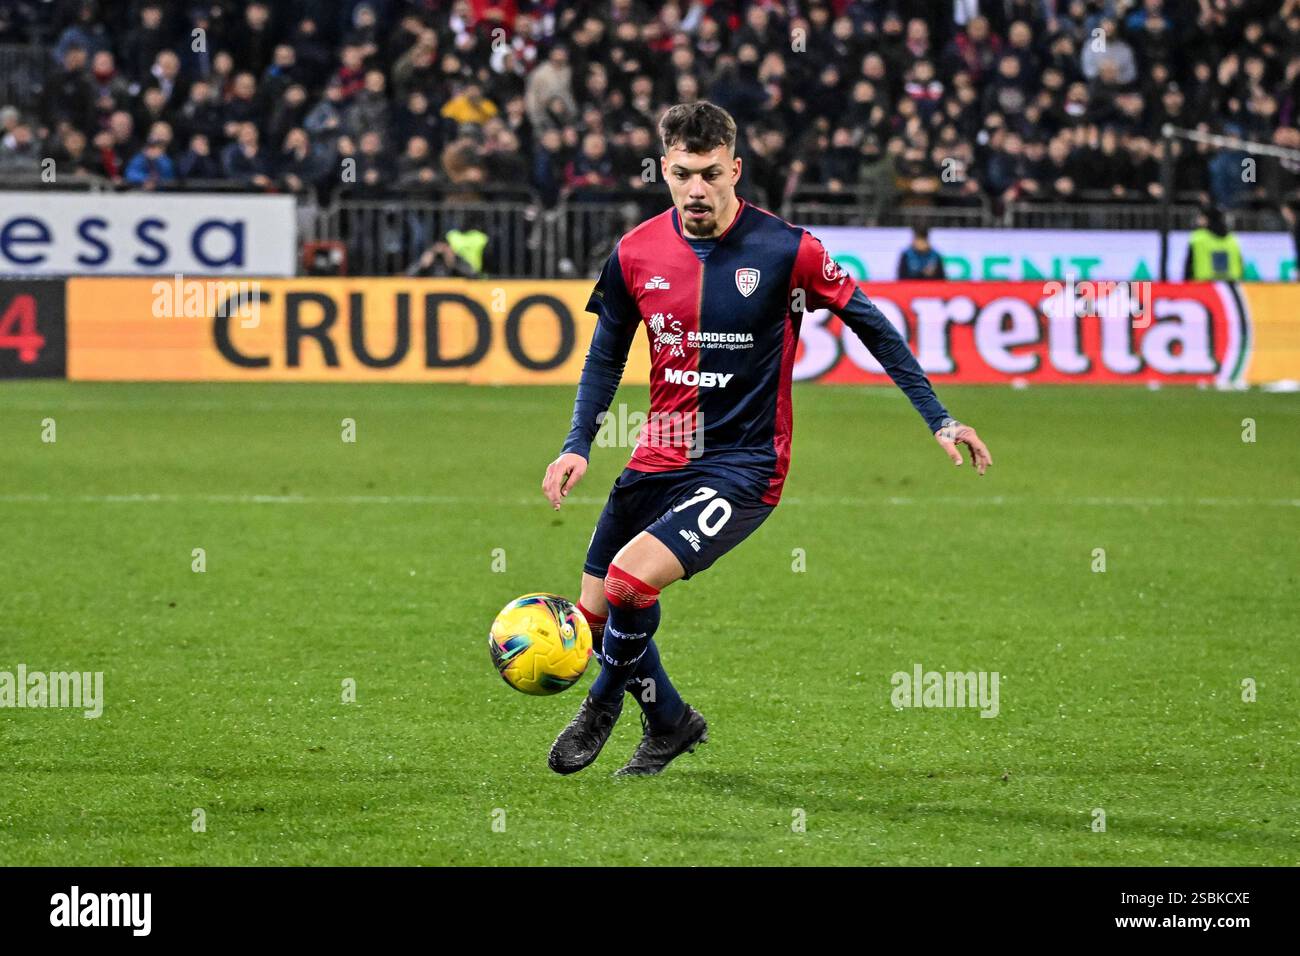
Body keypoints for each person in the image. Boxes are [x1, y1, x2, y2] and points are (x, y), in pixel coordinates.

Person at [540, 102, 992, 777]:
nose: (698, 189)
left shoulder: (789, 249)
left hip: (745, 463)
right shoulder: (635, 252)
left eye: (712, 174)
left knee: (632, 584)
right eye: (684, 174)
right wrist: (578, 442)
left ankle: (600, 708)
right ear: (664, 170)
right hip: (661, 448)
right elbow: (605, 356)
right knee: (598, 612)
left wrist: (939, 417)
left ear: (736, 170)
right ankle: (669, 722)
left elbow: (871, 324)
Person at [1184, 205, 1244, 280]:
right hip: (1230, 286)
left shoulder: (1198, 238)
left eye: (1200, 217)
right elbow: (1240, 264)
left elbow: (1189, 265)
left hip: (1203, 286)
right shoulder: (1233, 239)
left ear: (1206, 219)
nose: (1198, 220)